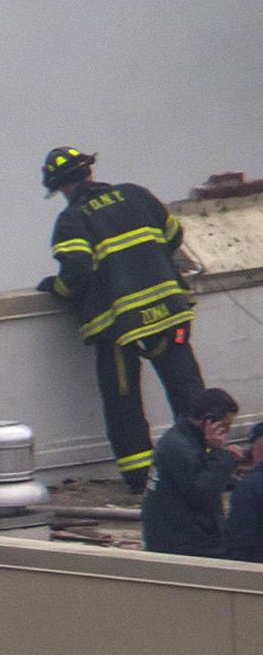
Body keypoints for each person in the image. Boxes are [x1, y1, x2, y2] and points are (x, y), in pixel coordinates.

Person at [41, 147, 203, 491]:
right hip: (170, 313)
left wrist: (56, 288)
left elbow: (77, 272)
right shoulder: (136, 195)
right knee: (187, 390)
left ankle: (140, 478)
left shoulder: (73, 219)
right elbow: (174, 236)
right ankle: (200, 462)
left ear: (63, 187)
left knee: (123, 402)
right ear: (88, 173)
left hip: (120, 328)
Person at [143, 391, 243, 558]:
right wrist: (221, 455)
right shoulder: (179, 448)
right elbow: (203, 492)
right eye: (225, 427)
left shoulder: (183, 439)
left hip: (178, 537)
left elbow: (199, 476)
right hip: (183, 544)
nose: (227, 433)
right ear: (208, 421)